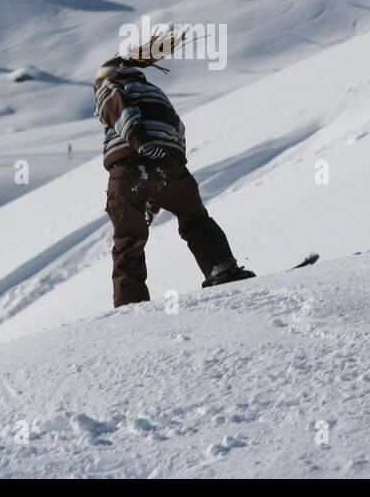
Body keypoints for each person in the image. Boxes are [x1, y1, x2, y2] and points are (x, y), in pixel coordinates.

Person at [93, 49, 254, 307]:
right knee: (196, 221)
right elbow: (178, 130)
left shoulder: (109, 86)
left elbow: (120, 110)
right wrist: (167, 176)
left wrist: (140, 142)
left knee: (128, 239)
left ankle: (130, 303)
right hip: (170, 168)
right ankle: (221, 270)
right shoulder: (156, 92)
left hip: (128, 169)